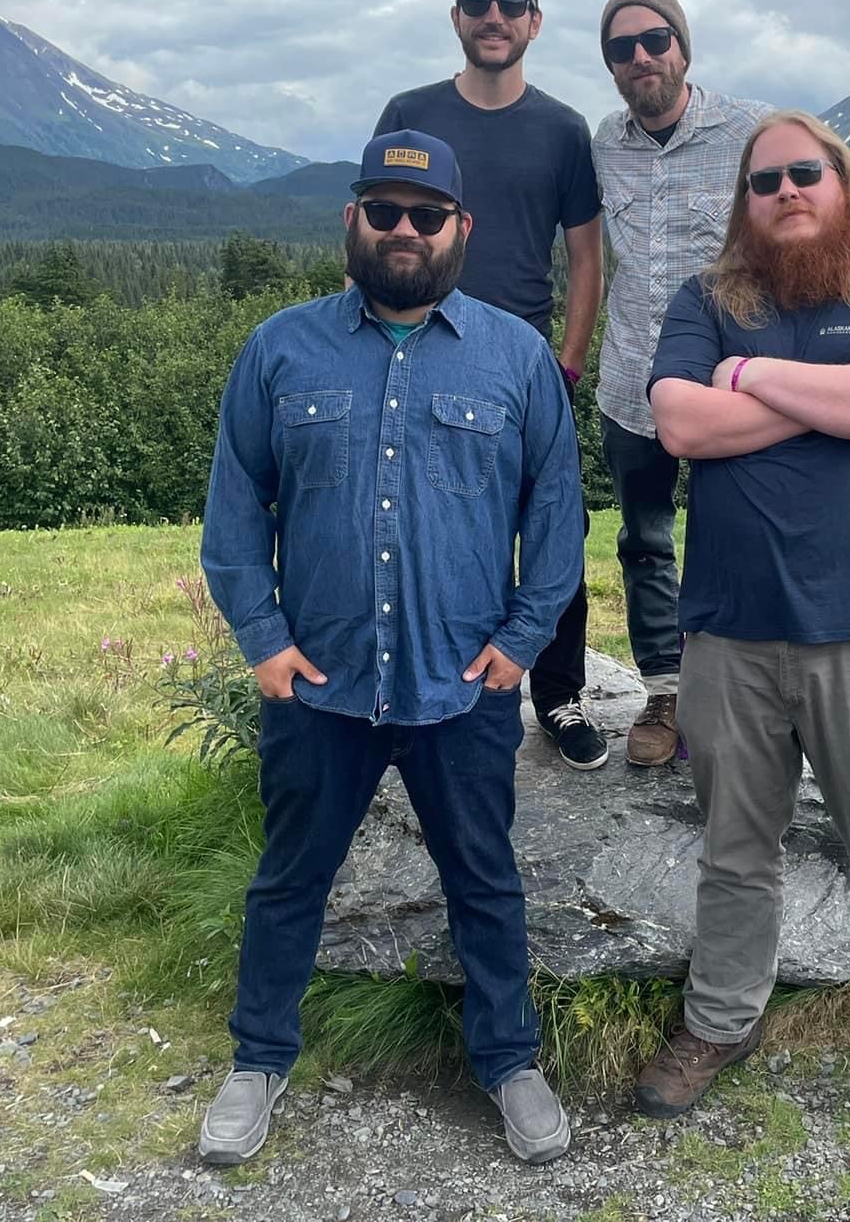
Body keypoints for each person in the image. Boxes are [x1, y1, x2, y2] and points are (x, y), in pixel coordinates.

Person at [196, 129, 583, 1167]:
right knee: (289, 880)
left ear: (459, 228)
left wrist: (520, 642)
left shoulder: (514, 358)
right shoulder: (279, 350)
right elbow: (235, 508)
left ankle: (509, 1063)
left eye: (424, 216)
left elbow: (557, 514)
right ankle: (257, 1059)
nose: (402, 231)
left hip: (461, 686)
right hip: (317, 684)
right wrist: (263, 641)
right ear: (352, 222)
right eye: (383, 211)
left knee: (485, 882)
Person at [630, 111, 850, 1149]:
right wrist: (838, 401)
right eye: (763, 181)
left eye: (806, 173)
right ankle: (719, 1024)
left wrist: (744, 378)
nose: (786, 191)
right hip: (728, 637)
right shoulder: (705, 299)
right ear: (741, 205)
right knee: (734, 851)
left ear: (840, 183)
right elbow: (679, 425)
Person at [374, 0, 609, 772]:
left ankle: (561, 692)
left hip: (523, 366)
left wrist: (567, 365)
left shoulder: (561, 130)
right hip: (416, 352)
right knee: (420, 520)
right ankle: (415, 681)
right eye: (477, 2)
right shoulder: (410, 113)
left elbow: (586, 257)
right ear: (457, 18)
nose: (494, 17)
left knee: (555, 529)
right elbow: (373, 230)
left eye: (512, 4)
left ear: (535, 23)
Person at [590, 0, 773, 767]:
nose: (640, 58)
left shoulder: (751, 132)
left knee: (746, 537)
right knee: (645, 540)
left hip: (731, 384)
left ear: (683, 47)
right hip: (632, 381)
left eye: (654, 40)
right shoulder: (600, 144)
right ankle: (665, 691)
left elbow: (846, 219)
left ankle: (749, 696)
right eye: (620, 48)